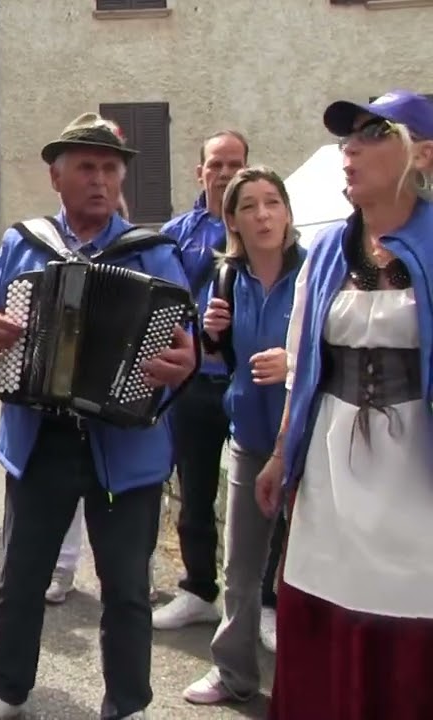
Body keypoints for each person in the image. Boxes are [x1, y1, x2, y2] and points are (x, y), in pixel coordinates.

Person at [0, 113, 197, 720]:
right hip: (41, 438)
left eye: (110, 169)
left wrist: (185, 361)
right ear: (56, 177)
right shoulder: (25, 242)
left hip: (127, 445)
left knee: (127, 588)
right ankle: (4, 691)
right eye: (86, 167)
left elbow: (184, 340)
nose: (100, 179)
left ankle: (128, 704)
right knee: (22, 575)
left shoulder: (152, 252)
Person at [260, 90, 433, 720]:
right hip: (332, 461)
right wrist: (282, 453)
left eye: (372, 134)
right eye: (347, 138)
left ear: (422, 155)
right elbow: (302, 360)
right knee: (325, 597)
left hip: (416, 468)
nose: (350, 150)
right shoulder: (330, 249)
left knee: (412, 608)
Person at [180, 167, 303, 705]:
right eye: (249, 206)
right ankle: (234, 674)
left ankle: (307, 683)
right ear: (232, 220)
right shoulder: (227, 276)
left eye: (272, 202)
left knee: (309, 575)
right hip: (250, 438)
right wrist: (209, 332)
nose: (263, 215)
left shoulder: (314, 272)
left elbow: (336, 353)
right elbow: (213, 354)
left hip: (308, 443)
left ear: (288, 212)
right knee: (240, 569)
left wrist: (292, 364)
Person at [151, 130, 249, 631]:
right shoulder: (176, 234)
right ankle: (198, 590)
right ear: (200, 172)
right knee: (194, 491)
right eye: (216, 164)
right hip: (193, 383)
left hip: (250, 379)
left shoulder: (265, 223)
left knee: (258, 495)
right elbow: (162, 303)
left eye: (235, 163)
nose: (225, 173)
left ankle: (261, 601)